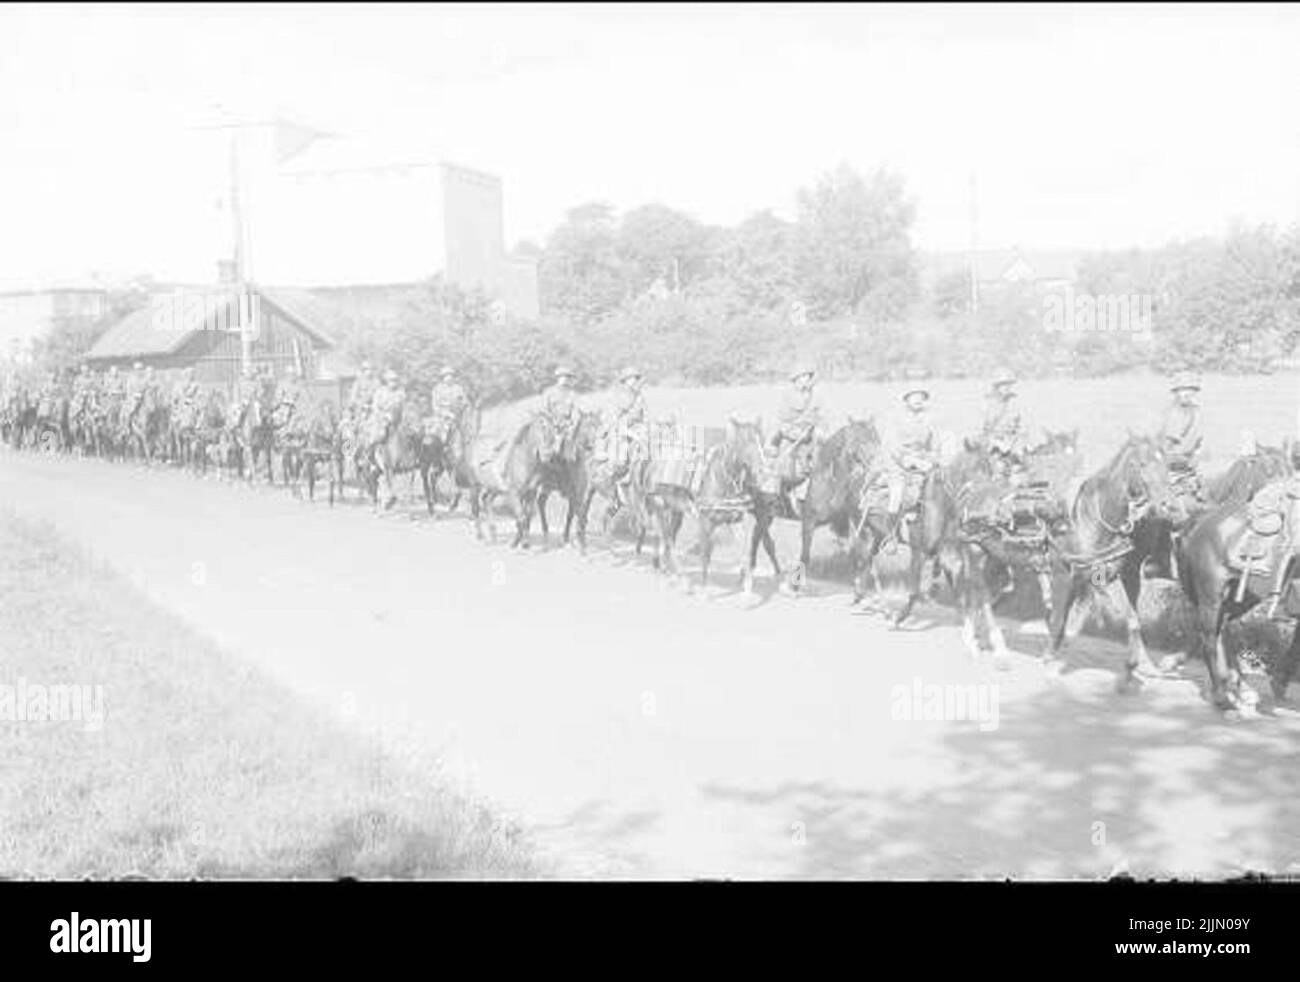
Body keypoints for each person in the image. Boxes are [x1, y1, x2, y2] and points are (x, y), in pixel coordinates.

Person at [882, 384, 940, 541]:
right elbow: (892, 446)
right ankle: (890, 535)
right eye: (914, 397)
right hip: (899, 466)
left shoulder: (930, 419)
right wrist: (907, 460)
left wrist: (930, 461)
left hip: (923, 466)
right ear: (906, 400)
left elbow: (935, 446)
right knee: (897, 494)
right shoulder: (896, 419)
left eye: (921, 397)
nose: (918, 400)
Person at [1159, 371, 1204, 500]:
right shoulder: (1173, 412)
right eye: (1182, 390)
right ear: (1176, 392)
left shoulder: (1196, 411)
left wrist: (1197, 456)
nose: (1186, 394)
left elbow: (1199, 441)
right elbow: (1166, 446)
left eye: (1190, 390)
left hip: (1190, 465)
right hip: (1171, 465)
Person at [980, 368, 1029, 483]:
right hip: (994, 445)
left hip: (1013, 444)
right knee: (999, 467)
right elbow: (983, 431)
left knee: (1020, 467)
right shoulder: (989, 404)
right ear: (997, 387)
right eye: (1003, 385)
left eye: (1009, 385)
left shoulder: (1015, 403)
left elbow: (1022, 426)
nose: (1007, 388)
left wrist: (1021, 440)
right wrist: (997, 442)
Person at [542, 366, 579, 455]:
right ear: (558, 378)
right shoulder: (549, 392)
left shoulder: (572, 393)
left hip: (567, 423)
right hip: (551, 421)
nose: (565, 379)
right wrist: (552, 421)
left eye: (568, 377)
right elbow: (544, 409)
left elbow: (575, 410)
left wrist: (572, 422)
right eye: (563, 377)